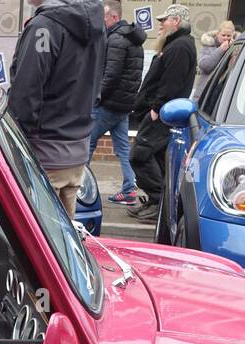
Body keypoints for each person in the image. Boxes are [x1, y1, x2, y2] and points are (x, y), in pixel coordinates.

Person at [9, 0, 105, 217]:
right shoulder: (96, 26)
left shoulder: (43, 26)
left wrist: (16, 142)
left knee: (34, 241)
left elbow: (26, 92)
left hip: (44, 153)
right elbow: (97, 83)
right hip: (76, 152)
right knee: (60, 243)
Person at [128, 4, 195, 221]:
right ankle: (159, 202)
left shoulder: (179, 47)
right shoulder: (175, 45)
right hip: (161, 111)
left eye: (164, 20)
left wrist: (157, 109)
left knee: (140, 155)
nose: (160, 24)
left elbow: (171, 84)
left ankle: (160, 202)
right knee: (157, 159)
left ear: (175, 21)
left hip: (163, 113)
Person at [88, 1, 144, 206]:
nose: (101, 21)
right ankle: (129, 190)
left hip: (108, 105)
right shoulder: (132, 39)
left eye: (103, 17)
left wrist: (96, 97)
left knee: (86, 143)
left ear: (113, 17)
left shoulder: (117, 39)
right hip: (123, 105)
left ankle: (78, 187)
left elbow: (111, 75)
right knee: (122, 149)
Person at [192, 20, 236, 98]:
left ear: (232, 36)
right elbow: (205, 66)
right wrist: (221, 49)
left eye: (228, 36)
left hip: (222, 96)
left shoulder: (236, 48)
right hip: (203, 95)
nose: (226, 38)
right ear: (217, 34)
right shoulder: (209, 46)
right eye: (223, 35)